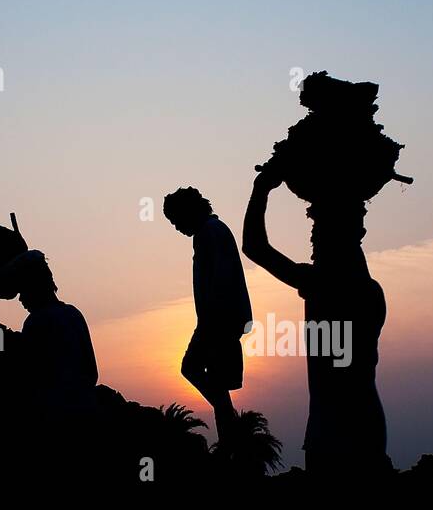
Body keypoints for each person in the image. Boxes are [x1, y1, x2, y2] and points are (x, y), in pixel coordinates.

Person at [243, 162, 391, 478]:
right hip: (364, 426)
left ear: (341, 237)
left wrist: (262, 188)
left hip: (334, 433)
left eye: (319, 232)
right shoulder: (369, 291)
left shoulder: (324, 284)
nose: (313, 240)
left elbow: (254, 247)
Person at [163, 187, 253, 446]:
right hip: (220, 320)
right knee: (216, 381)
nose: (177, 227)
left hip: (219, 321)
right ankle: (230, 437)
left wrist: (211, 322)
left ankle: (231, 434)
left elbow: (221, 278)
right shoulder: (212, 231)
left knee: (192, 368)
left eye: (176, 220)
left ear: (188, 212)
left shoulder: (209, 233)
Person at [9, 249, 99, 418]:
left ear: (34, 288)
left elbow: (30, 374)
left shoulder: (37, 322)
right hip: (86, 409)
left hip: (56, 414)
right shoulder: (74, 314)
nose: (20, 299)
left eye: (22, 291)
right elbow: (91, 370)